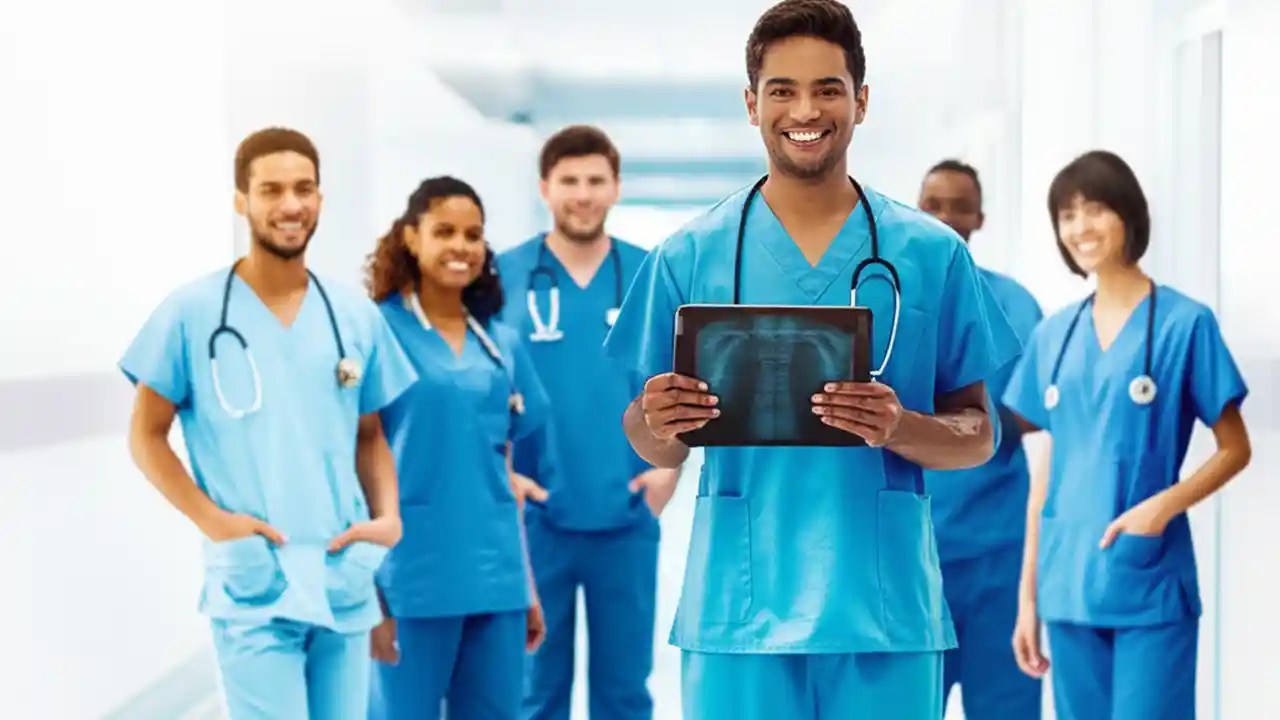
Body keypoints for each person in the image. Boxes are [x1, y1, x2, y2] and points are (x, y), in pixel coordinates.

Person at [602, 2, 1022, 718]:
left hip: (883, 610)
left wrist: (900, 428)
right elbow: (654, 448)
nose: (806, 109)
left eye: (828, 88)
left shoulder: (929, 255)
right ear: (751, 103)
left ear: (860, 100)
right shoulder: (690, 256)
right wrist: (662, 421)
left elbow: (978, 435)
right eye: (782, 90)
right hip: (738, 611)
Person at [121, 127, 417, 719]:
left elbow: (370, 436)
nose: (290, 205)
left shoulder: (352, 314)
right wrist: (214, 522)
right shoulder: (193, 312)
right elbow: (146, 435)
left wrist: (388, 518)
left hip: (343, 574)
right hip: (256, 578)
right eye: (271, 189)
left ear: (320, 199)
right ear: (241, 200)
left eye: (304, 188)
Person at [1004, 150, 1252, 720]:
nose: (1081, 227)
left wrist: (1160, 509)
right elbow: (1046, 468)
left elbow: (1235, 448)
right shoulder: (1054, 334)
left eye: (1095, 209)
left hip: (1148, 580)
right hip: (1067, 584)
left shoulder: (1185, 323)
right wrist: (1028, 599)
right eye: (1067, 215)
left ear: (1129, 216)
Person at [496, 125, 678, 720]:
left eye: (595, 180)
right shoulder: (503, 278)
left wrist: (668, 471)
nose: (582, 194)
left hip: (626, 515)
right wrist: (503, 479)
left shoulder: (649, 274)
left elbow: (685, 384)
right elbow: (479, 384)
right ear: (545, 188)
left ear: (616, 187)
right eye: (569, 181)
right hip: (535, 517)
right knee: (534, 688)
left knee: (624, 692)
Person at [364, 175, 551, 720]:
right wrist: (365, 589)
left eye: (473, 235)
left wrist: (527, 586)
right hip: (408, 575)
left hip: (496, 578)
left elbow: (503, 468)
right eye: (444, 231)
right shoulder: (374, 333)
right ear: (409, 237)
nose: (461, 247)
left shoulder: (500, 343)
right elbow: (357, 461)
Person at [917, 159, 1045, 718]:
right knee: (910, 702)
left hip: (999, 549)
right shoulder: (892, 305)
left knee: (1006, 705)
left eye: (958, 205)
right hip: (915, 552)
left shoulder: (1014, 304)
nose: (945, 215)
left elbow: (1036, 416)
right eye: (933, 203)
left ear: (980, 217)